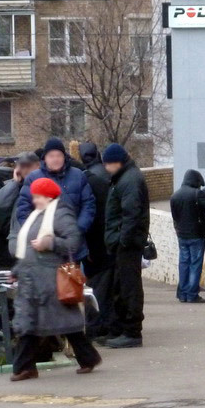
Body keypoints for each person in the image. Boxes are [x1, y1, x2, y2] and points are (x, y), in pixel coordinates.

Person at [8, 177, 102, 380]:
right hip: (33, 280)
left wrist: (49, 243)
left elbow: (73, 242)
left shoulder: (61, 214)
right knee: (33, 324)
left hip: (51, 281)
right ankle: (86, 358)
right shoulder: (38, 215)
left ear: (48, 196)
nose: (35, 200)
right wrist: (17, 270)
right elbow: (28, 250)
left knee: (56, 324)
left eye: (38, 196)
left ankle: (25, 367)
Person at [102, 143, 150, 348]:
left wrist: (123, 240)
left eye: (106, 164)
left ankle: (131, 331)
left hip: (127, 244)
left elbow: (131, 214)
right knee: (122, 286)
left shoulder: (129, 180)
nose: (105, 168)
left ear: (115, 162)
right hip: (124, 242)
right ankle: (123, 330)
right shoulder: (126, 177)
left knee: (128, 287)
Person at [17, 138, 96, 244]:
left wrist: (78, 229)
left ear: (64, 157)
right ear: (44, 158)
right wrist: (38, 234)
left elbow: (88, 204)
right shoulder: (33, 178)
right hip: (42, 245)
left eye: (59, 155)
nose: (55, 159)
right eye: (51, 156)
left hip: (74, 243)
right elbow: (23, 209)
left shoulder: (78, 175)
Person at [78, 141, 116, 338]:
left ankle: (96, 327)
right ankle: (106, 325)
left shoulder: (87, 180)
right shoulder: (108, 176)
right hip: (109, 241)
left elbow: (88, 217)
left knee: (96, 289)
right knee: (107, 289)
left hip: (94, 246)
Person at [170, 169, 205, 303]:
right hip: (196, 234)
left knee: (183, 263)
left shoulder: (175, 196)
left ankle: (183, 294)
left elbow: (175, 217)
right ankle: (192, 294)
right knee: (195, 264)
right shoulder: (197, 194)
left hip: (182, 235)